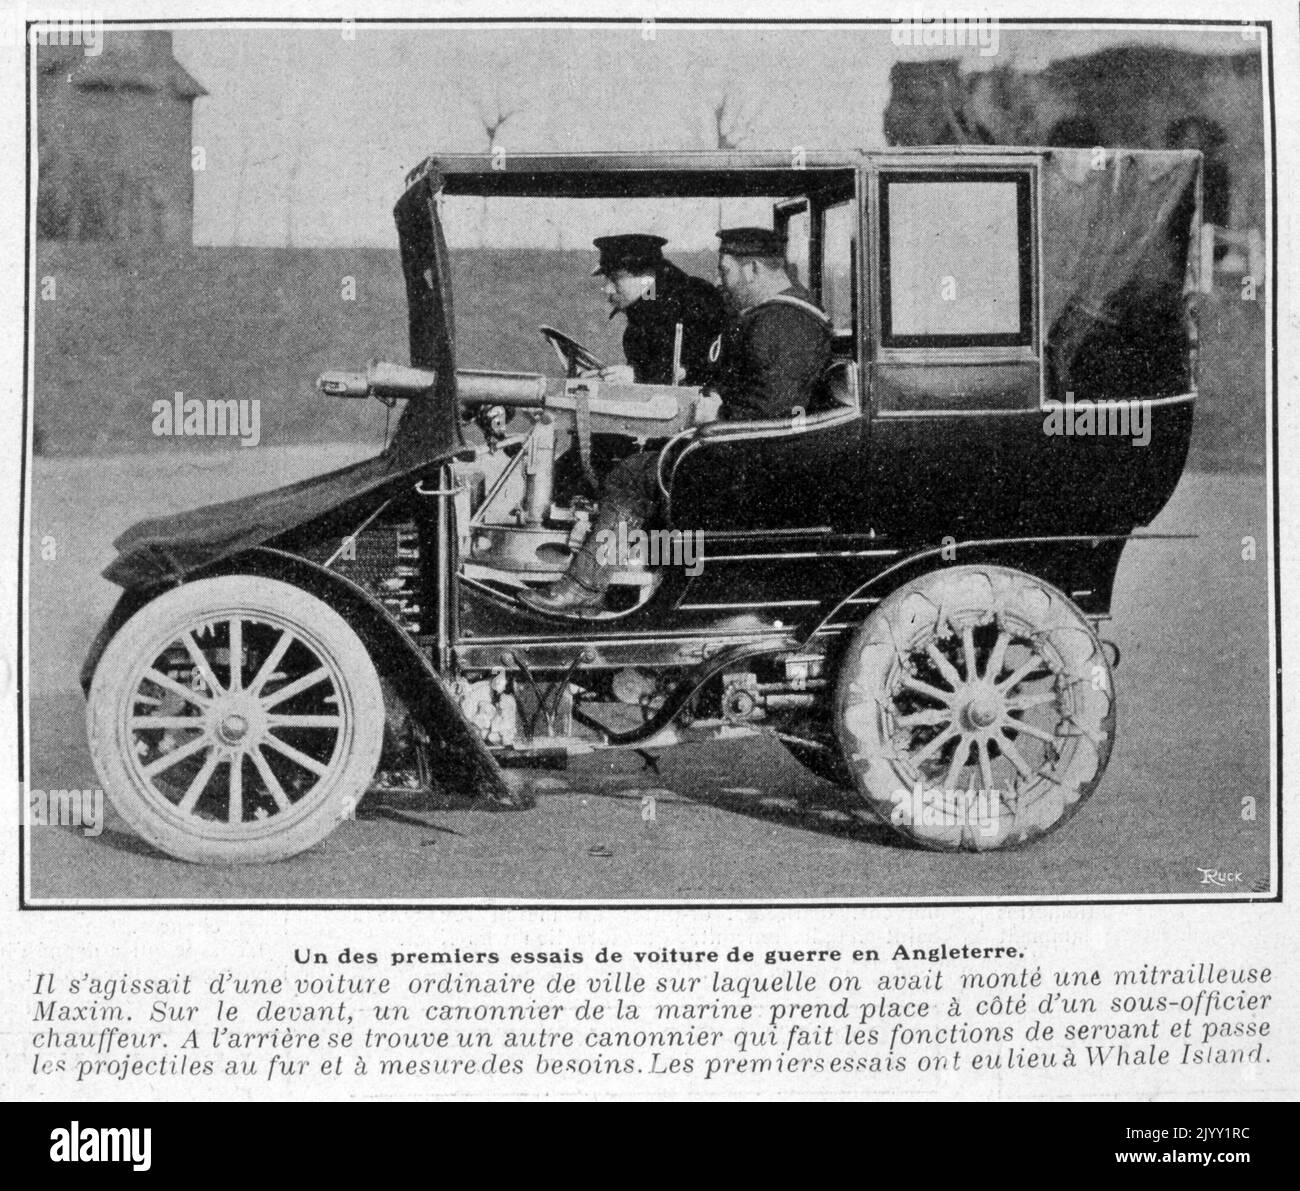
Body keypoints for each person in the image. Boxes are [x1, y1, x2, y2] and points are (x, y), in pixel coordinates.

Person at [519, 226, 831, 618]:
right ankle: (640, 569)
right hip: (744, 448)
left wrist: (719, 413)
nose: (720, 282)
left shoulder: (783, 323)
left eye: (727, 271)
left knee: (632, 475)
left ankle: (587, 586)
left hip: (753, 460)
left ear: (752, 269)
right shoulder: (777, 317)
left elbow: (774, 411)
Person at [587, 233, 726, 386]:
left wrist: (638, 375)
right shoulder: (642, 313)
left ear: (647, 276)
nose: (608, 289)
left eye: (615, 279)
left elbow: (707, 367)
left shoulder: (695, 300)